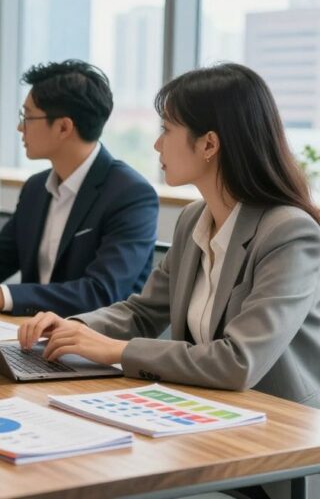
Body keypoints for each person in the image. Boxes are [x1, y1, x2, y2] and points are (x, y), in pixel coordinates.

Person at [18, 63, 320, 408]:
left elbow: (239, 361)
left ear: (209, 144)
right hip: (207, 408)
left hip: (280, 424)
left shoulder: (290, 234)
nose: (157, 145)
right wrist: (72, 327)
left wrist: (117, 350)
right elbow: (142, 313)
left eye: (167, 129)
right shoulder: (193, 219)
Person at [0, 60, 158, 317]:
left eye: (27, 117)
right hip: (27, 335)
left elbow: (100, 292)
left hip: (89, 346)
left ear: (63, 127)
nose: (19, 127)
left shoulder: (130, 194)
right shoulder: (37, 187)